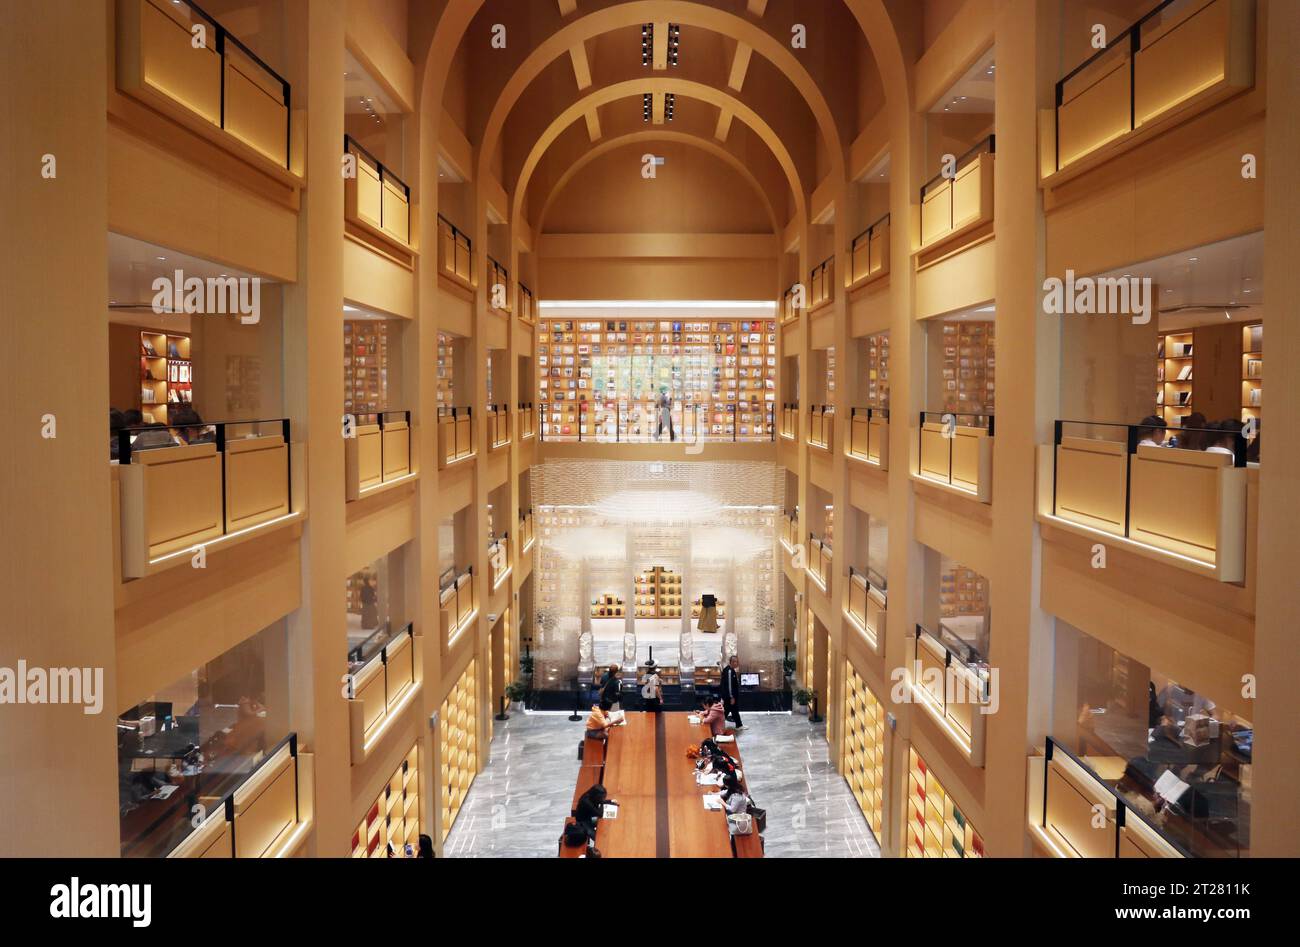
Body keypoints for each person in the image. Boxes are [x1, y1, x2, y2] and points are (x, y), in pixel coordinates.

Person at [721, 655, 744, 730]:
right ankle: (718, 724)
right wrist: (732, 697)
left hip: (730, 697)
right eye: (736, 662)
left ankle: (739, 725)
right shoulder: (729, 671)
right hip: (729, 697)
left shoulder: (731, 670)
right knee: (727, 711)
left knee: (733, 710)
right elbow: (729, 685)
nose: (737, 663)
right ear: (732, 662)